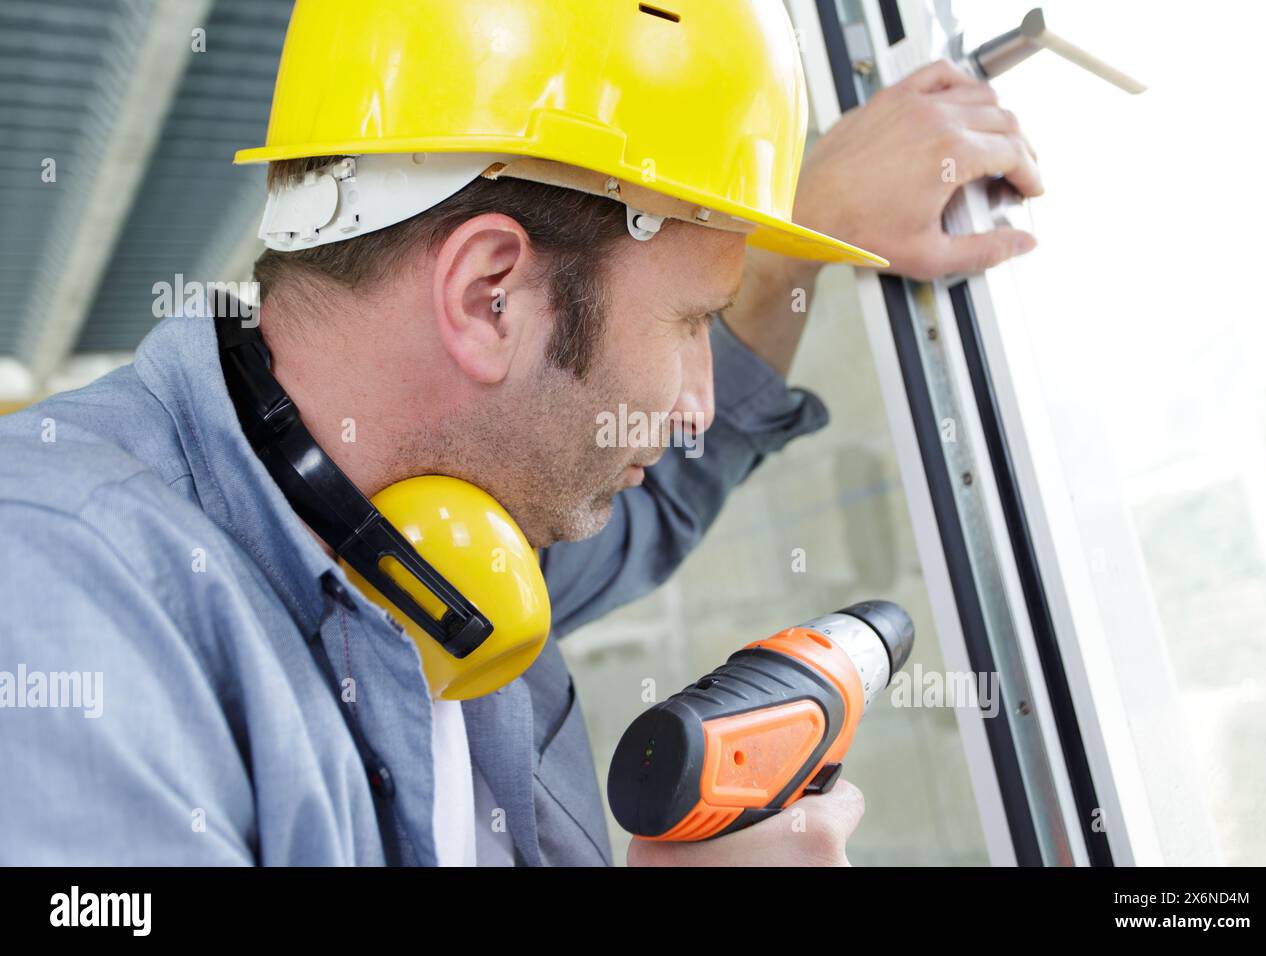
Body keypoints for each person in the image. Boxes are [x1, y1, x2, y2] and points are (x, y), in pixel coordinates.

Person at [0, 0, 1040, 866]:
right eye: (689, 324)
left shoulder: (443, 530)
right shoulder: (56, 609)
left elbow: (660, 491)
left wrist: (798, 232)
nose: (691, 402)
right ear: (491, 296)